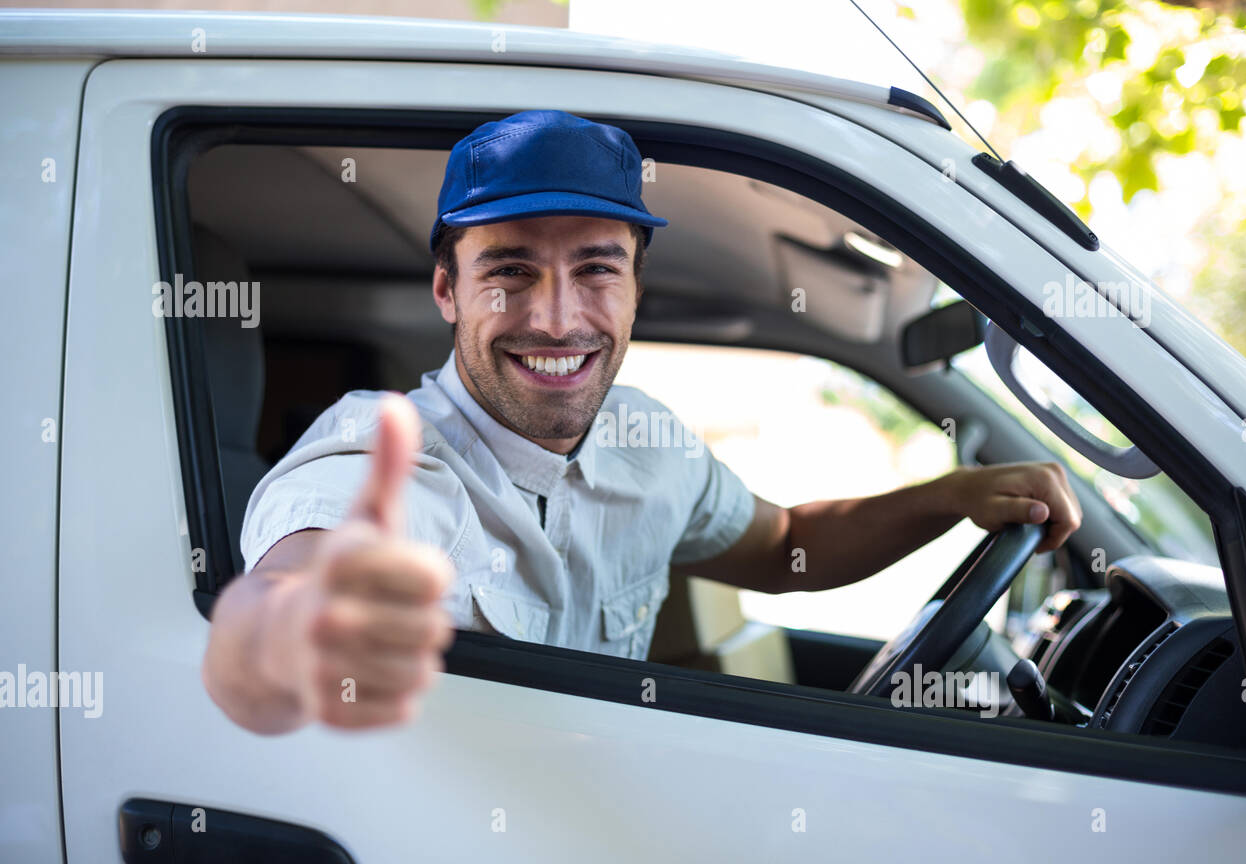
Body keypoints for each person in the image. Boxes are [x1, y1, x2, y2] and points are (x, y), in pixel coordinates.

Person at [202, 109, 1081, 735]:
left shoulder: (644, 439)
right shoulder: (383, 458)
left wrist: (953, 495)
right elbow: (270, 627)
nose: (555, 318)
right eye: (509, 270)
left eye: (595, 269)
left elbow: (784, 548)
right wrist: (295, 637)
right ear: (448, 290)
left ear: (634, 289)